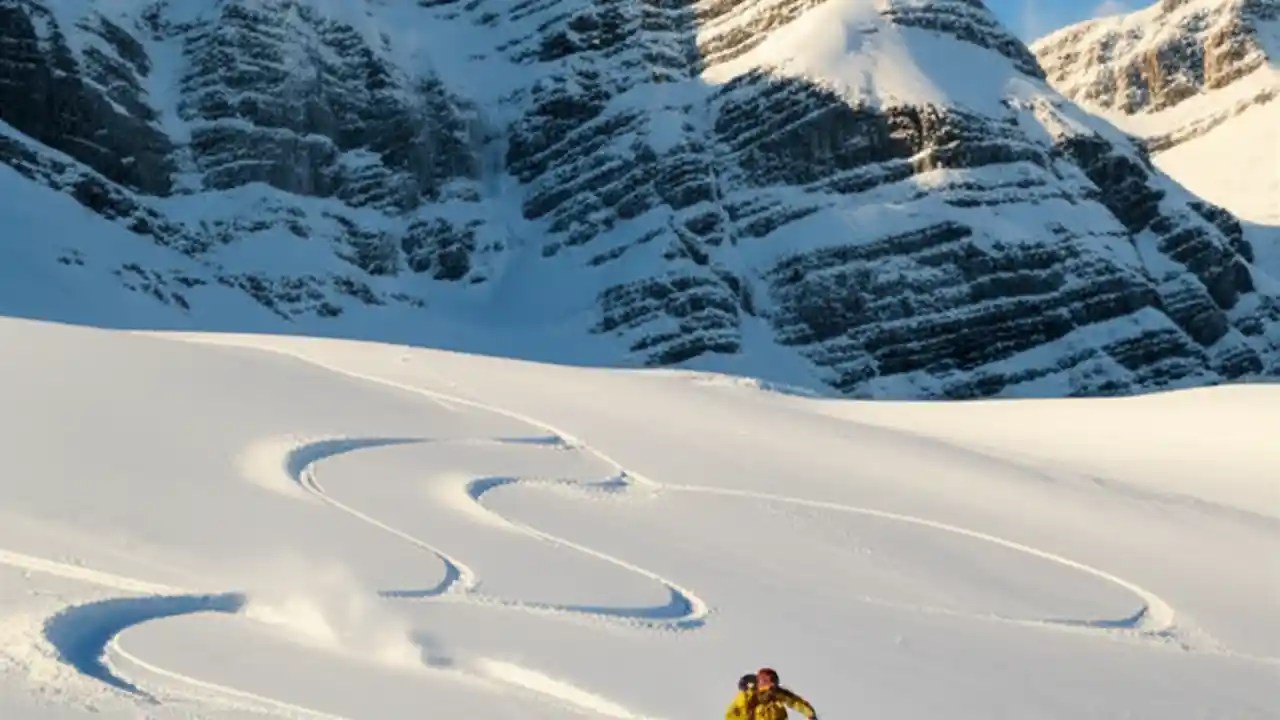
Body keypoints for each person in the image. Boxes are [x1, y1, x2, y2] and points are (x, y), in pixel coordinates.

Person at [750, 667, 818, 720]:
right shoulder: (750, 695)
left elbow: (794, 702)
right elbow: (740, 710)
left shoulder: (779, 693)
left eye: (773, 680)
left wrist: (810, 714)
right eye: (766, 681)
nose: (771, 684)